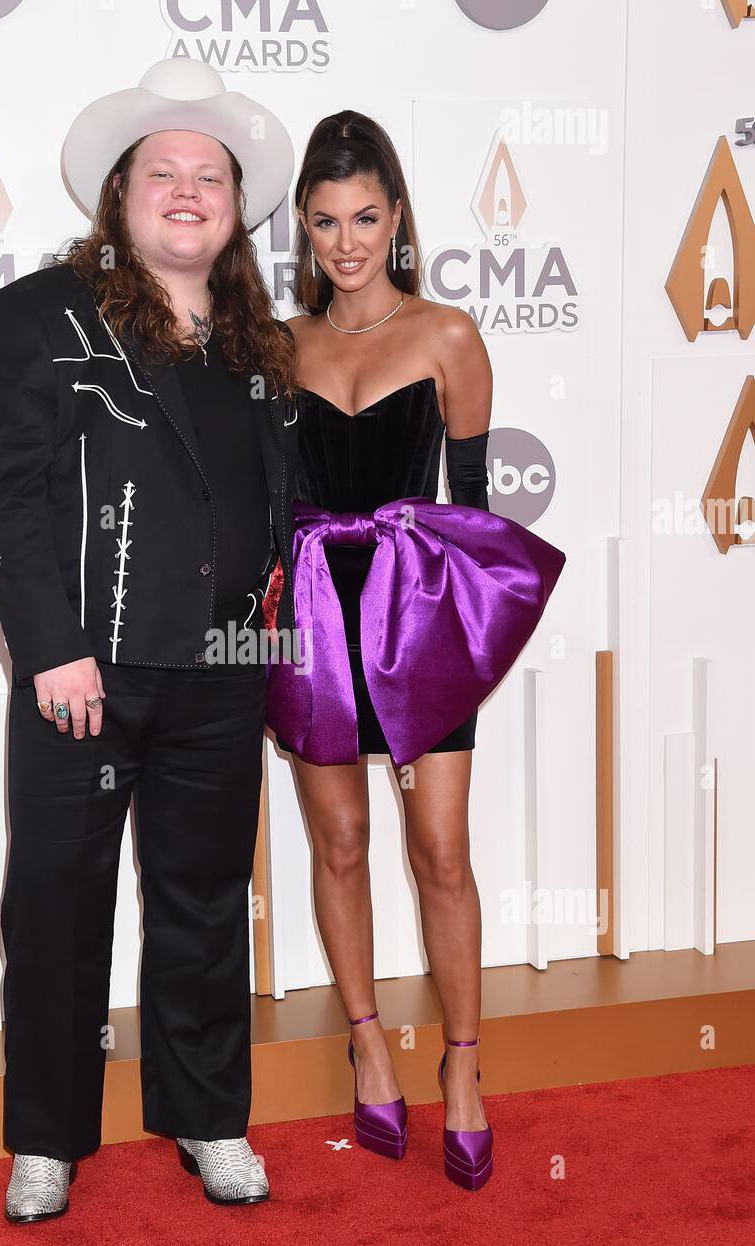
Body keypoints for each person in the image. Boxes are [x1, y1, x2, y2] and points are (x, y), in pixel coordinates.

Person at [0, 57, 299, 1221]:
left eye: (212, 174)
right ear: (118, 197)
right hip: (82, 677)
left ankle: (209, 1118)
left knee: (205, 900)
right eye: (163, 170)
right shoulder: (38, 316)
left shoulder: (258, 341)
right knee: (57, 901)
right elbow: (7, 492)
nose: (189, 189)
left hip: (220, 676)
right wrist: (51, 646)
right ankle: (48, 1137)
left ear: (235, 205)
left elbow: (273, 504)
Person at [263, 112, 564, 1190]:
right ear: (303, 222)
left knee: (440, 848)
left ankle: (466, 1067)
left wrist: (467, 644)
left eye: (367, 217)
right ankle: (368, 1038)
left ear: (396, 217)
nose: (348, 241)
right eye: (327, 219)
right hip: (311, 613)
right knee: (338, 843)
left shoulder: (447, 336)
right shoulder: (276, 344)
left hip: (413, 613)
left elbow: (472, 512)